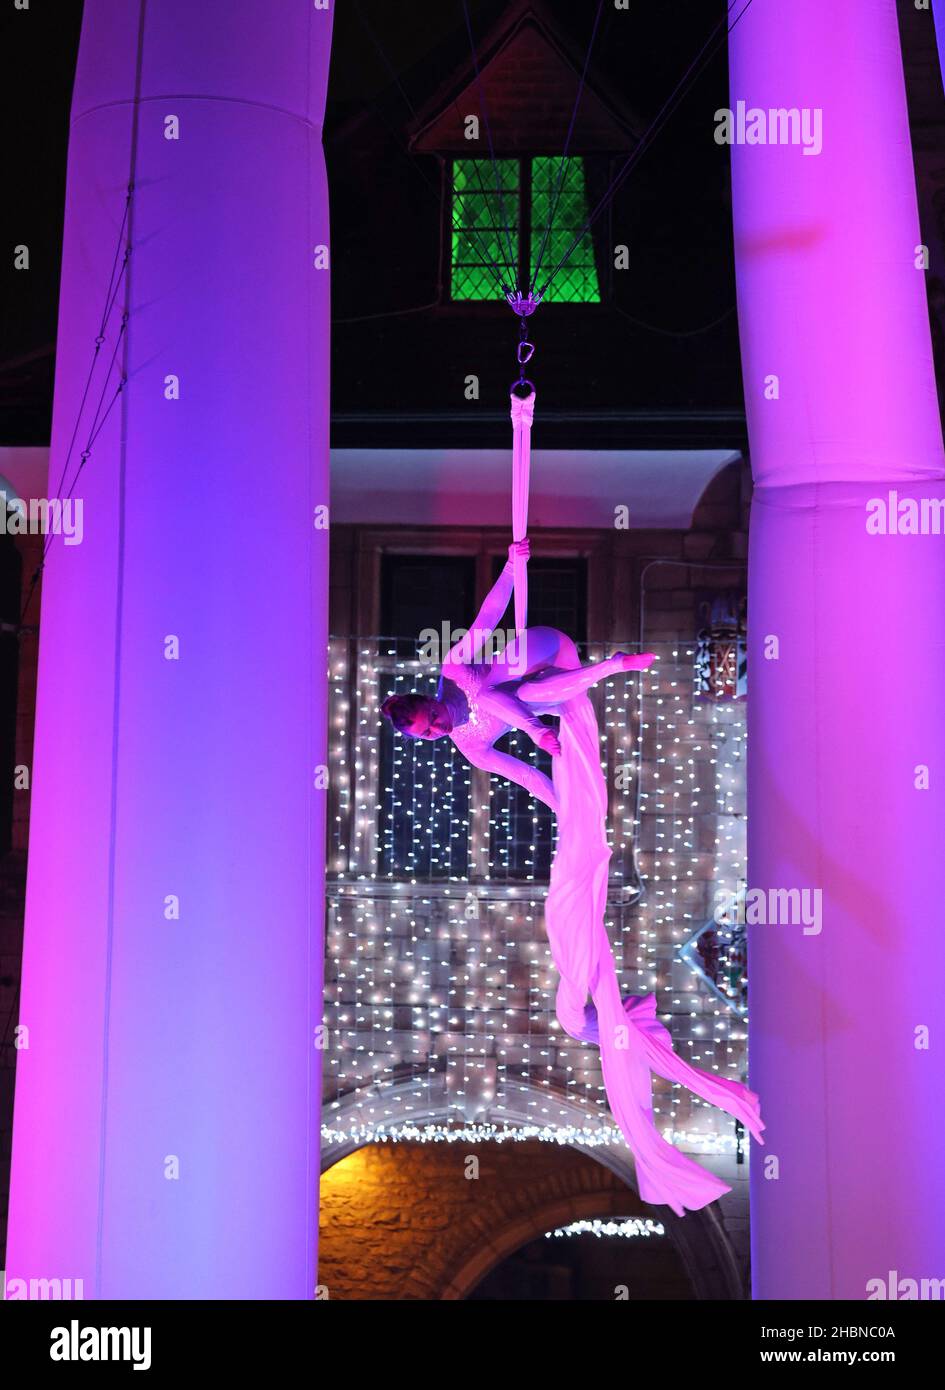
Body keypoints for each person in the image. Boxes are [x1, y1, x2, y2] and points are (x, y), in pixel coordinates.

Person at [380, 538, 655, 812]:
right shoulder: (472, 748)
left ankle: (546, 722)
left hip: (542, 648)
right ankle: (612, 666)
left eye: (432, 719)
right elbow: (528, 778)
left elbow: (487, 620)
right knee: (528, 695)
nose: (438, 730)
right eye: (427, 734)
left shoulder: (454, 669)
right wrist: (564, 813)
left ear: (430, 700)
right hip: (561, 684)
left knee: (488, 695)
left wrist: (511, 566)